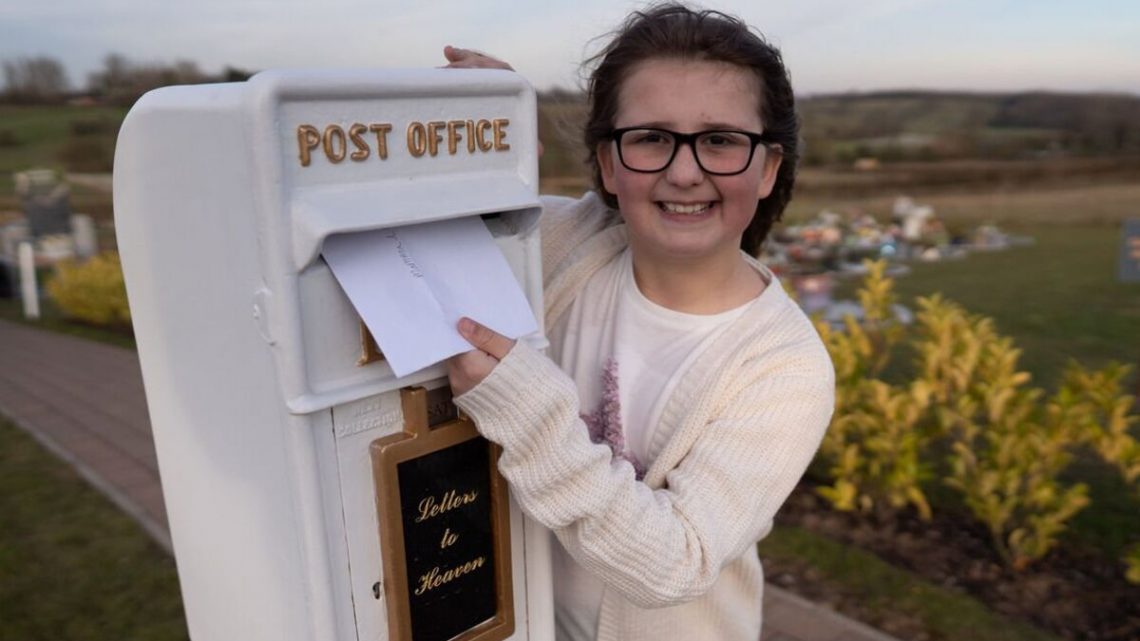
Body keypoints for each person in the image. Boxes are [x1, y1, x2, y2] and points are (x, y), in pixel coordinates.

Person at [443, 4, 835, 640]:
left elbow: (674, 565)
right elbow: (423, 244)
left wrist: (530, 414)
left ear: (767, 169)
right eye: (651, 137)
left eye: (720, 140)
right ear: (606, 163)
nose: (685, 172)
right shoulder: (558, 244)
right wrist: (489, 138)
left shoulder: (785, 368)